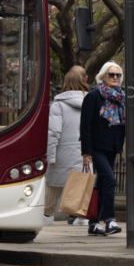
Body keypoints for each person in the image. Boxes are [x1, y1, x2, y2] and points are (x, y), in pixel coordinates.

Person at [80, 61, 127, 236]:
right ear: (103, 77)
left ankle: (93, 224)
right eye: (111, 74)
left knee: (101, 183)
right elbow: (85, 126)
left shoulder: (121, 97)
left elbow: (126, 124)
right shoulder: (94, 96)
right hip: (97, 147)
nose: (115, 78)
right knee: (110, 180)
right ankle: (109, 220)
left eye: (118, 75)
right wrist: (86, 152)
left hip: (113, 146)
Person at [45, 66, 89, 223]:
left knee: (52, 184)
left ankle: (46, 215)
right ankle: (81, 217)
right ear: (85, 81)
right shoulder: (91, 102)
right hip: (84, 151)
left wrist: (50, 156)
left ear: (65, 83)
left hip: (61, 152)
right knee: (81, 181)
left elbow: (53, 132)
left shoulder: (58, 104)